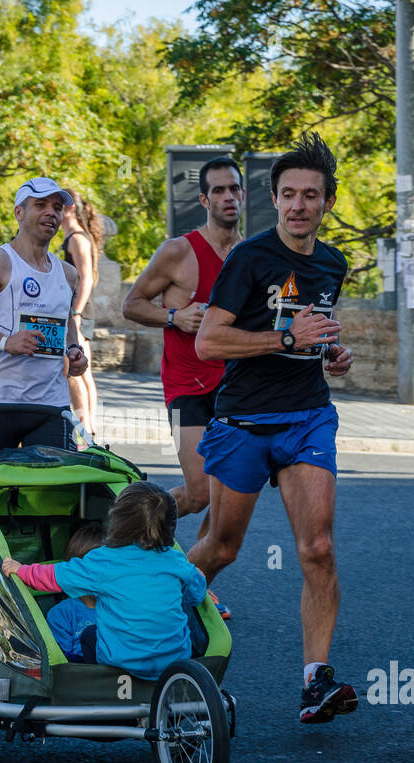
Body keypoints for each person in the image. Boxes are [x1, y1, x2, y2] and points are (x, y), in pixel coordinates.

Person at [185, 132, 358, 725]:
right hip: (243, 422)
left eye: (310, 195)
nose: (298, 205)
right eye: (288, 195)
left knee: (318, 547)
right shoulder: (249, 259)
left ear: (327, 203)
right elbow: (209, 342)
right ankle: (155, 620)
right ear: (276, 201)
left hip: (308, 417)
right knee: (222, 547)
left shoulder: (333, 263)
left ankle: (316, 681)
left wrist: (333, 355)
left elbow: (318, 333)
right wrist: (286, 338)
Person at [123, 156, 244, 543]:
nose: (229, 197)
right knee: (200, 492)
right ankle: (131, 528)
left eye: (235, 189)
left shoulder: (250, 256)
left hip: (235, 387)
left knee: (226, 494)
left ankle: (199, 577)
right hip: (185, 386)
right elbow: (132, 304)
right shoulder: (179, 251)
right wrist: (174, 317)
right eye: (219, 190)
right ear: (204, 200)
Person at [3, 481, 206, 679]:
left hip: (125, 663)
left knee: (90, 635)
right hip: (175, 661)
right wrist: (198, 578)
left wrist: (22, 570)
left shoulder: (105, 560)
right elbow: (195, 594)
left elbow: (54, 576)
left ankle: (98, 687)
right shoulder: (176, 560)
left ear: (118, 522)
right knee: (182, 614)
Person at [0, 177, 88, 455]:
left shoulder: (67, 274)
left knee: (52, 492)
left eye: (56, 207)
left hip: (50, 405)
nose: (51, 212)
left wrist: (74, 349)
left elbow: (66, 323)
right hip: (0, 402)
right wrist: (6, 342)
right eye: (40, 205)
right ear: (19, 212)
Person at [60, 189, 102, 437]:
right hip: (80, 309)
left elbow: (86, 278)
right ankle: (89, 425)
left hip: (79, 311)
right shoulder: (74, 237)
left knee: (74, 369)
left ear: (71, 208)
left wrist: (75, 311)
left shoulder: (77, 238)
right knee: (84, 372)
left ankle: (84, 425)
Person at [44, 524, 105, 663]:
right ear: (75, 571)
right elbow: (63, 663)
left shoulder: (121, 608)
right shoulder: (61, 614)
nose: (99, 575)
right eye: (91, 568)